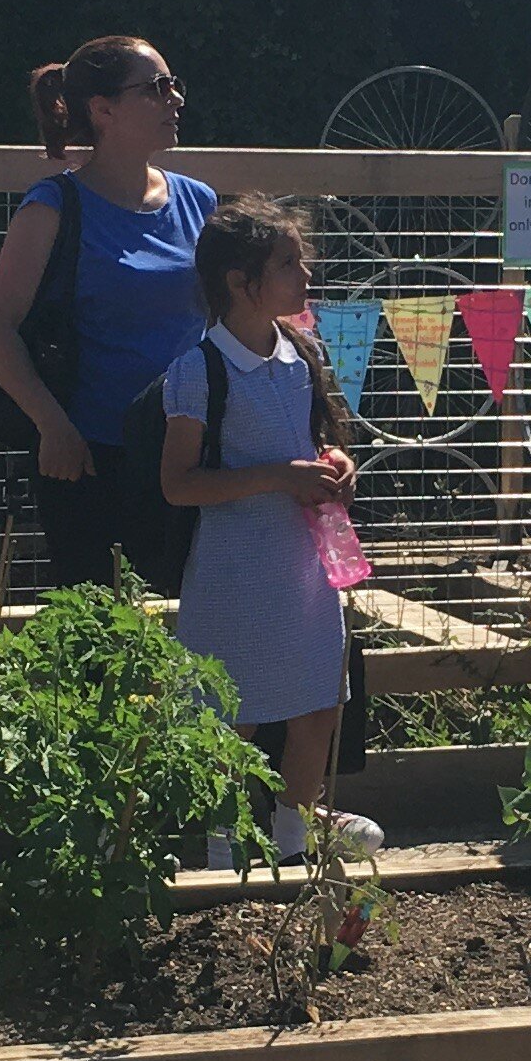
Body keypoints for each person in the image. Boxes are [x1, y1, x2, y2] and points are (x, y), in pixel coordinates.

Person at [154, 197, 380, 865]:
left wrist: (339, 466)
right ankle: (220, 850)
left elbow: (319, 443)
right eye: (288, 263)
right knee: (234, 716)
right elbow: (179, 483)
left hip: (307, 571)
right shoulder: (199, 370)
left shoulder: (301, 352)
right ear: (239, 281)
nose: (305, 274)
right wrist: (280, 477)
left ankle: (291, 838)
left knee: (317, 707)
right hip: (234, 574)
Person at [0, 35, 211, 589]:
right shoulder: (53, 206)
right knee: (98, 642)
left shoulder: (201, 201)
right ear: (102, 110)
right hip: (88, 459)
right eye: (157, 88)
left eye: (175, 86)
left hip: (192, 457)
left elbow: (234, 325)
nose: (175, 99)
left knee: (201, 631)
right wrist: (51, 425)